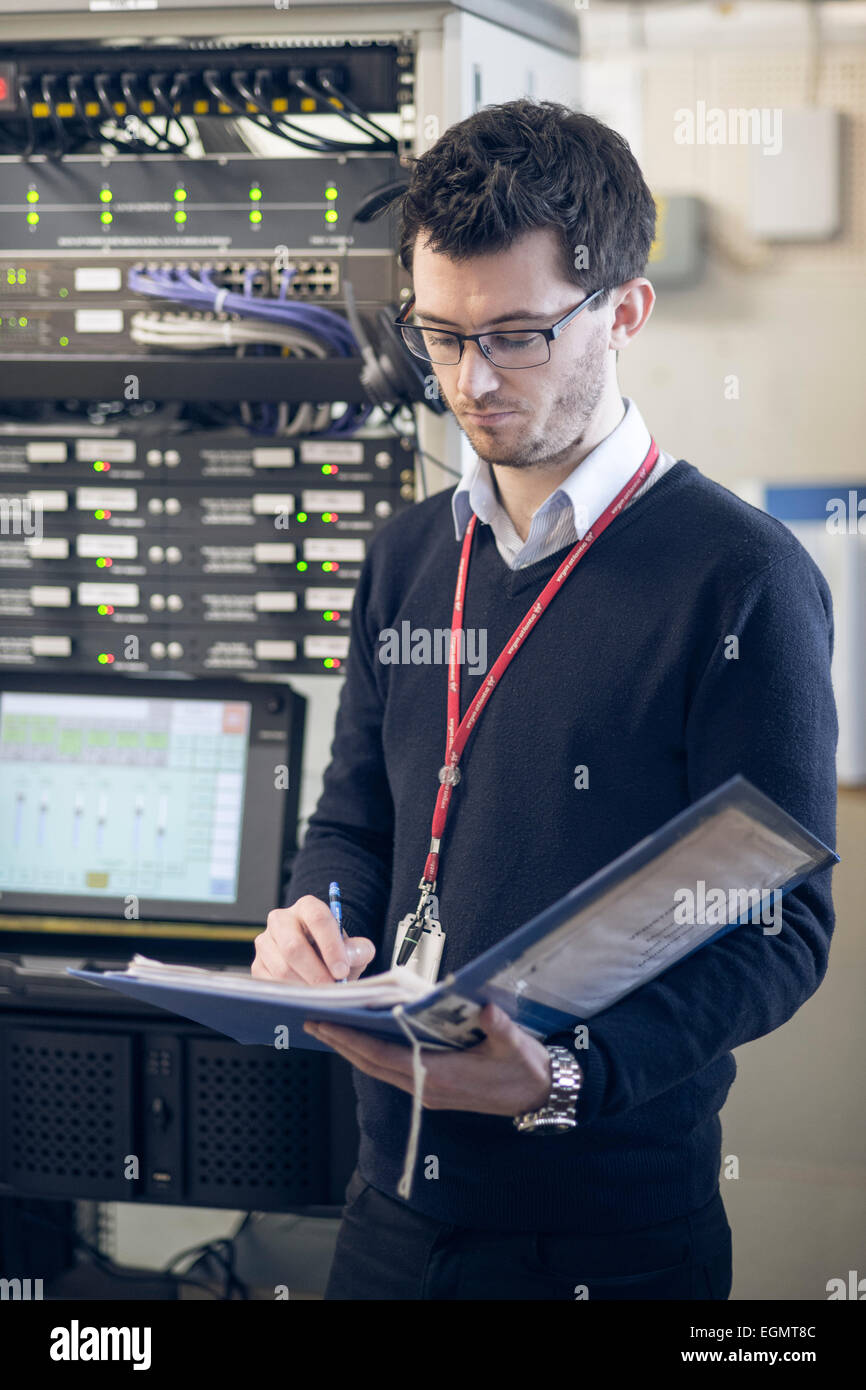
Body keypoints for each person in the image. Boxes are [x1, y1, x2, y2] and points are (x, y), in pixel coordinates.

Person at [252, 99, 837, 1301]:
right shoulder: (408, 554)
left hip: (606, 1236)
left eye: (516, 336)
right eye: (441, 336)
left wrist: (569, 1076)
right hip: (390, 1211)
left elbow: (779, 932)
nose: (471, 382)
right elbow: (355, 824)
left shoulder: (737, 575)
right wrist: (312, 915)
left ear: (623, 310)